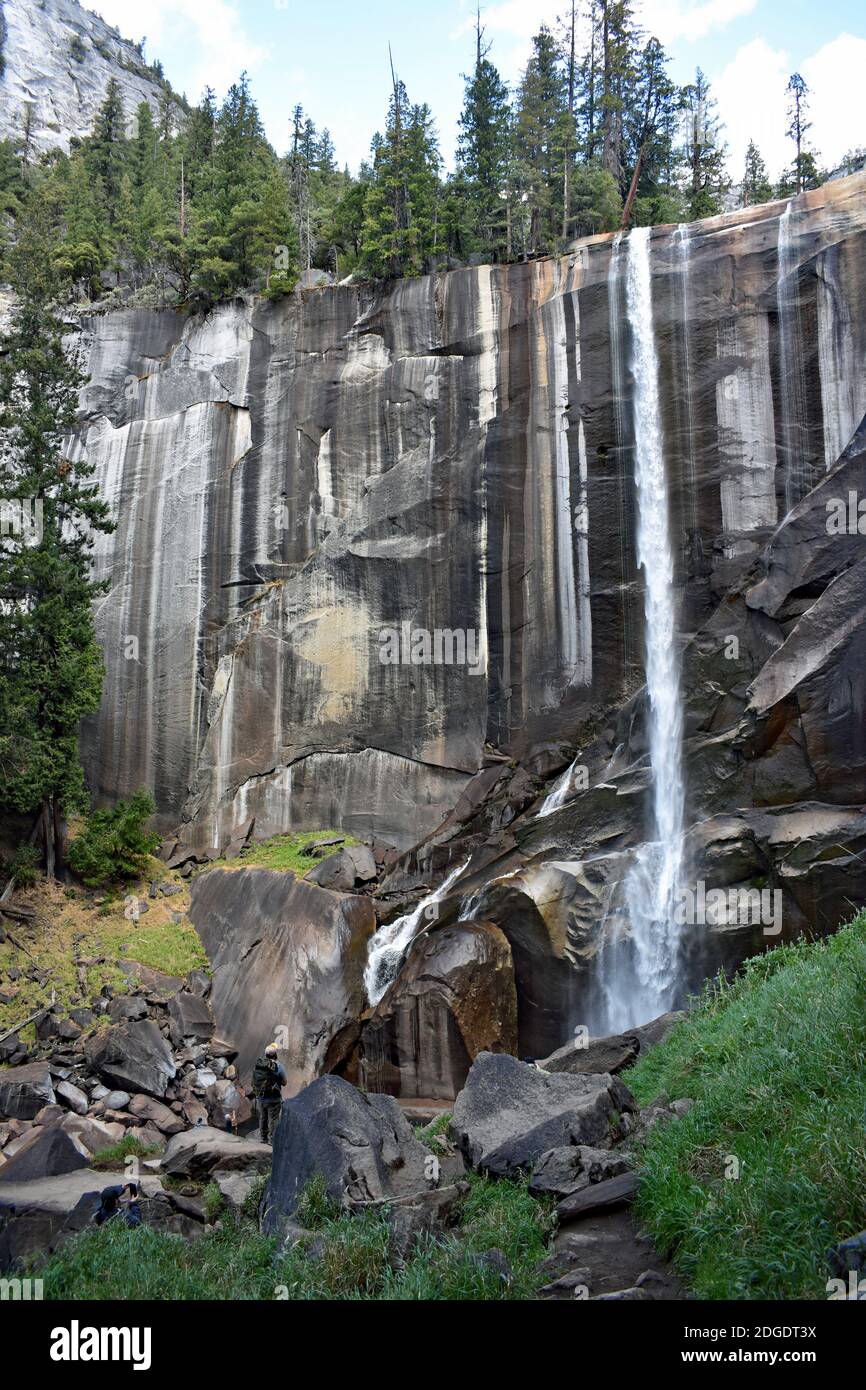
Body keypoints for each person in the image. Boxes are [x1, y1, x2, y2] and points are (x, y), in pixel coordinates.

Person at [251, 1043, 286, 1144]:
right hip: (274, 1098)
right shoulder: (278, 1066)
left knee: (263, 1117)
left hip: (261, 1096)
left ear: (265, 1054)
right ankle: (272, 1140)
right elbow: (284, 1082)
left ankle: (263, 1138)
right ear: (275, 1055)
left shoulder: (259, 1064)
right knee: (273, 1119)